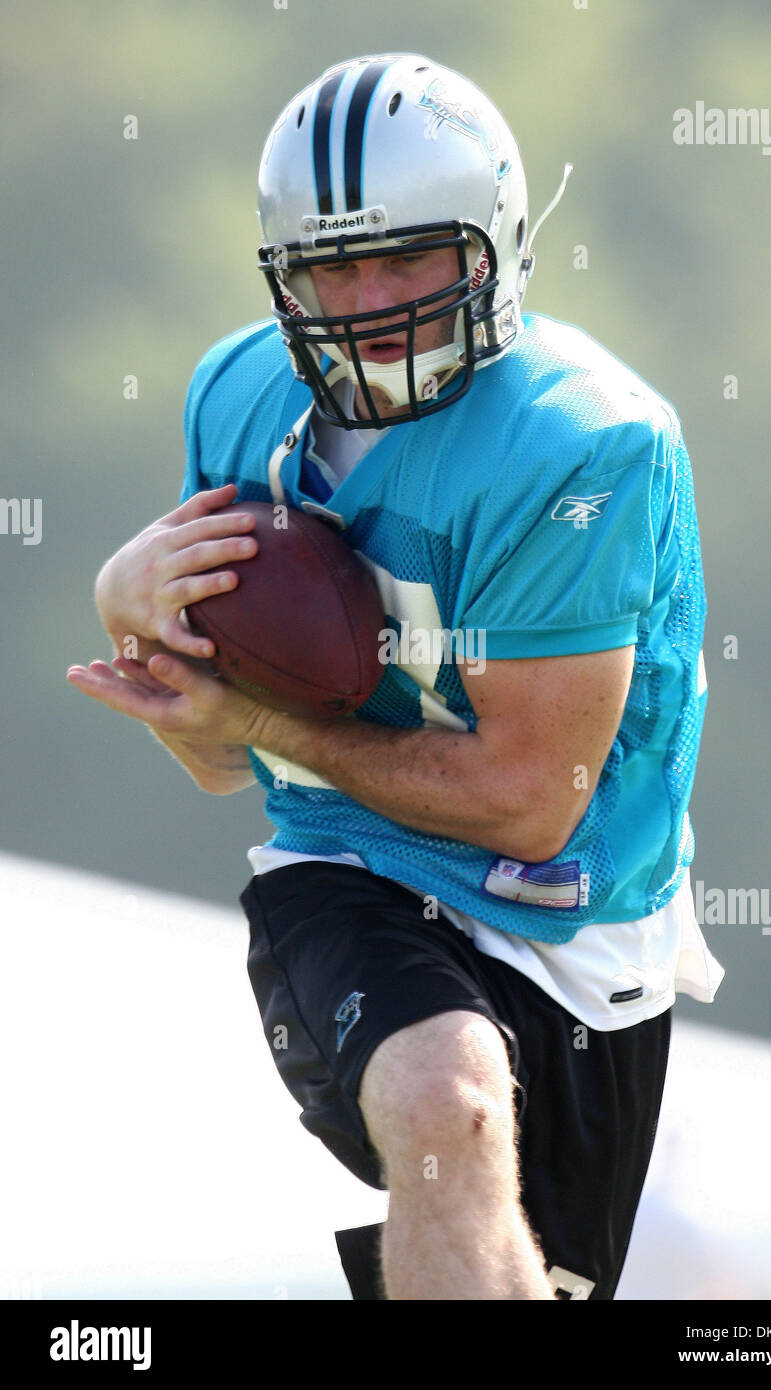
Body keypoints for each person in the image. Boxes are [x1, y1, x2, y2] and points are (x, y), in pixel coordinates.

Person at [68, 53, 724, 1301]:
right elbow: (217, 763)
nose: (365, 302)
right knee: (445, 1100)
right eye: (330, 268)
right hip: (352, 871)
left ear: (493, 245)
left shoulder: (582, 444)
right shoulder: (238, 394)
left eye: (405, 258)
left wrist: (259, 717)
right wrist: (131, 614)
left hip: (576, 918)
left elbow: (532, 800)